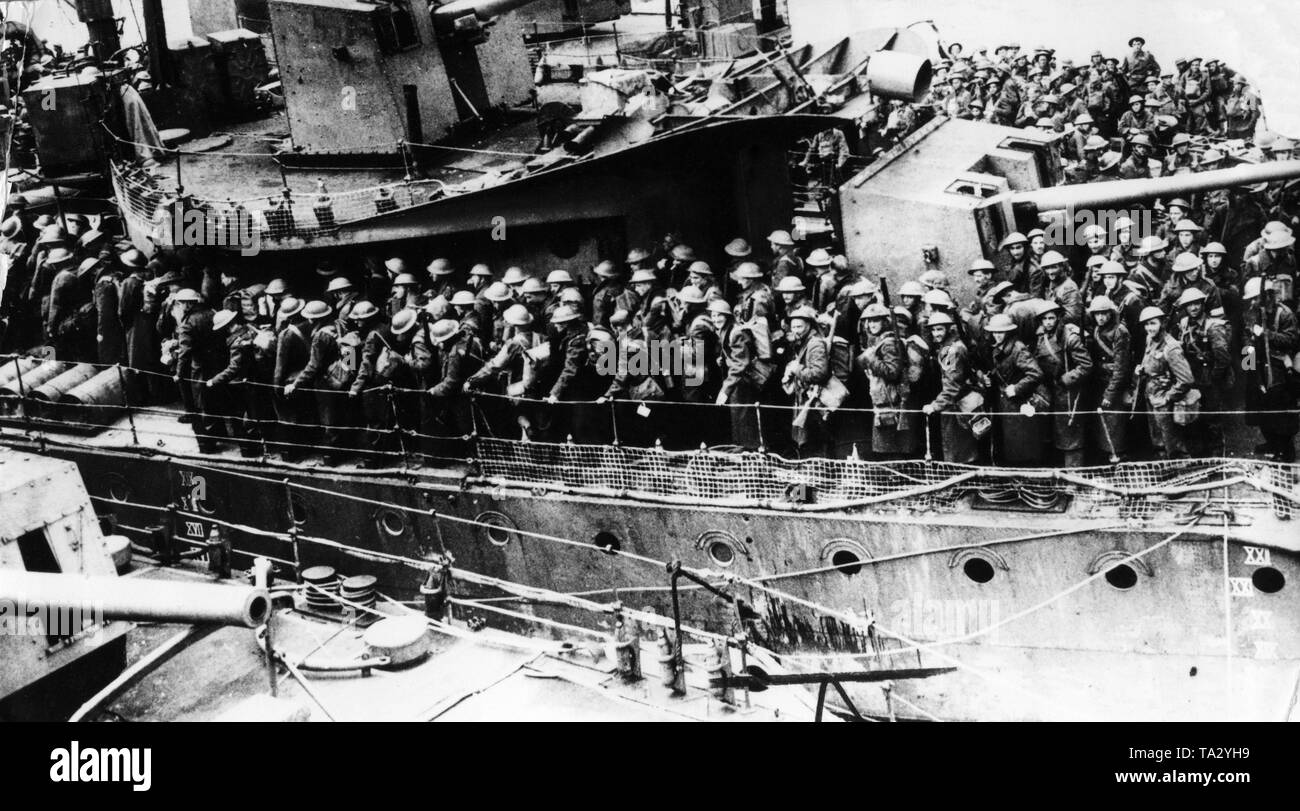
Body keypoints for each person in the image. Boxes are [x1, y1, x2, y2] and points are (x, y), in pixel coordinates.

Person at [352, 307, 419, 466]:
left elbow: (366, 364)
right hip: (392, 378)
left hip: (376, 382)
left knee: (374, 421)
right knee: (388, 420)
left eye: (359, 318)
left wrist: (355, 387)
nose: (356, 321)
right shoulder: (385, 328)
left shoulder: (371, 335)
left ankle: (373, 461)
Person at [1242, 277, 1299, 461]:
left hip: (1279, 370)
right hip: (1258, 368)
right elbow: (1247, 341)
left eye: (1255, 298)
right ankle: (1272, 442)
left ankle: (1284, 450)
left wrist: (1266, 334)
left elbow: (1291, 340)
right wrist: (1248, 367)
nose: (1252, 302)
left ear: (1266, 296)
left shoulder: (1284, 314)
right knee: (1261, 410)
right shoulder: (1251, 314)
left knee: (1280, 413)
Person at [1033, 300, 1092, 467]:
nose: (1048, 322)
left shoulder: (1070, 338)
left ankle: (1074, 478)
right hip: (1050, 393)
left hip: (1068, 393)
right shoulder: (1041, 337)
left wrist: (1067, 379)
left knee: (1071, 436)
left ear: (1058, 318)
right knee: (1055, 435)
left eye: (1051, 318)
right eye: (1044, 319)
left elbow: (1086, 366)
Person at [1175, 288, 1232, 457]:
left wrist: (1213, 380)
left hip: (1210, 378)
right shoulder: (1184, 323)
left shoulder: (1213, 327)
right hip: (1192, 377)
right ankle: (1200, 456)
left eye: (1196, 303)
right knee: (1194, 418)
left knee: (1212, 419)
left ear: (1203, 304)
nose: (1193, 307)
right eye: (1189, 304)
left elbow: (1223, 359)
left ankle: (1216, 457)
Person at [858, 303, 920, 459]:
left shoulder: (889, 343)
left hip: (891, 402)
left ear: (884, 322)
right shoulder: (881, 341)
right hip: (885, 400)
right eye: (869, 321)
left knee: (891, 451)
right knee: (889, 450)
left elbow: (892, 372)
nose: (871, 324)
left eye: (876, 320)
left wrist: (871, 359)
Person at [984, 312, 1046, 465]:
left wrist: (1017, 388)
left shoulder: (1018, 349)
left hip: (1019, 403)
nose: (997, 336)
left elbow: (1036, 373)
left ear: (1008, 332)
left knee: (1022, 446)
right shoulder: (998, 348)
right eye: (995, 332)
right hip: (1006, 404)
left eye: (1001, 332)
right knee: (1011, 445)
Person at [1136, 306, 1194, 459]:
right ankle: (1164, 467)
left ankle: (1180, 471)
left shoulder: (1171, 347)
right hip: (1152, 396)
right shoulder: (1150, 340)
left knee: (1171, 441)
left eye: (1153, 323)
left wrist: (1168, 397)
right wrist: (1142, 369)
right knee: (1157, 439)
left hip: (1164, 400)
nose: (1149, 327)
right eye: (1146, 324)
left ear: (1161, 323)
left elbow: (1186, 379)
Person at [921, 310, 978, 464]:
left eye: (940, 329)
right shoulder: (948, 347)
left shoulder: (953, 351)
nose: (936, 333)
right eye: (933, 329)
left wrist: (935, 405)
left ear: (948, 329)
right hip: (956, 404)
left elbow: (952, 385)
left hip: (957, 406)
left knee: (958, 453)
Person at [1085, 296, 1132, 462]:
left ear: (1111, 313)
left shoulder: (1120, 331)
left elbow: (1121, 368)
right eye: (1097, 314)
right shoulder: (1097, 330)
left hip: (1115, 386)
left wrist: (1110, 394)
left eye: (1104, 313)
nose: (1100, 317)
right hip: (1101, 382)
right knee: (1104, 425)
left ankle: (1119, 459)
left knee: (1116, 426)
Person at [782, 305, 831, 457]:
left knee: (814, 440)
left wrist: (797, 369)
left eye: (799, 326)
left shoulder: (815, 343)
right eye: (793, 327)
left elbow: (818, 373)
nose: (796, 330)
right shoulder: (803, 342)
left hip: (814, 399)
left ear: (809, 325)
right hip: (806, 398)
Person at [272, 297, 316, 462]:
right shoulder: (310, 325)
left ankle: (292, 456)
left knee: (289, 418)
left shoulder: (286, 334)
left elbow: (280, 365)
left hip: (291, 381)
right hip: (308, 377)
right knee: (306, 414)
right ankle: (308, 449)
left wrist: (276, 387)